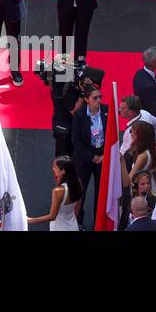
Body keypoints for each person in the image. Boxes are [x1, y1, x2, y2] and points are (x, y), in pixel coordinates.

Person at [70, 84, 107, 227]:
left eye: (100, 97)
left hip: (102, 158)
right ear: (86, 99)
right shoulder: (79, 115)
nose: (98, 100)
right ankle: (78, 223)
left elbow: (111, 135)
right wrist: (92, 157)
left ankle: (98, 224)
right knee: (81, 192)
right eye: (95, 98)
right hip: (84, 159)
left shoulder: (106, 111)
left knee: (101, 192)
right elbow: (76, 141)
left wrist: (104, 155)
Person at [26, 157, 82, 231]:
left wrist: (30, 220)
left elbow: (52, 216)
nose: (53, 169)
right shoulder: (78, 184)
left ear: (63, 171)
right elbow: (77, 209)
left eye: (55, 167)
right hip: (74, 226)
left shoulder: (58, 191)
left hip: (59, 227)